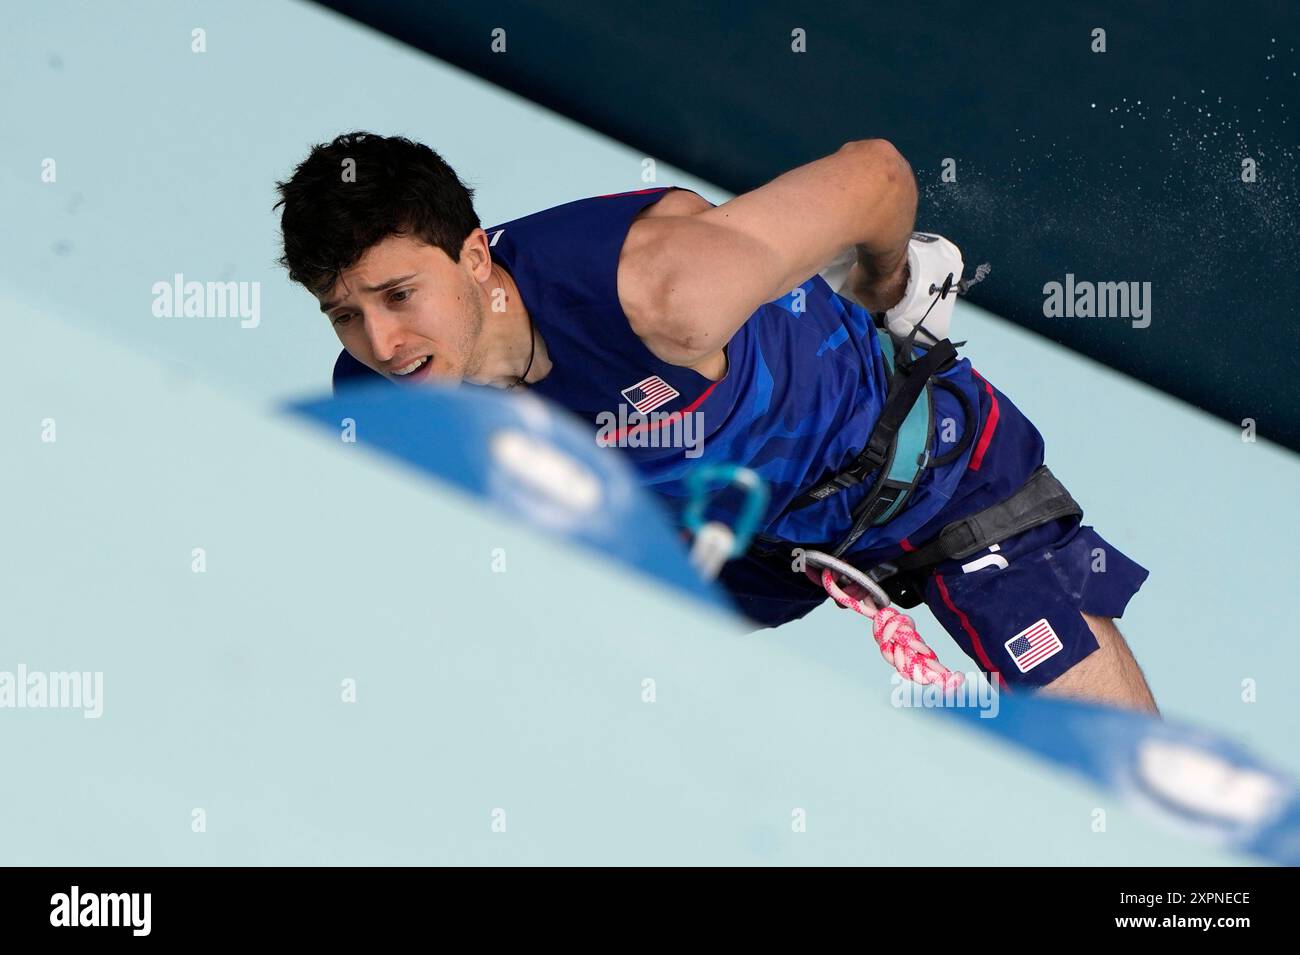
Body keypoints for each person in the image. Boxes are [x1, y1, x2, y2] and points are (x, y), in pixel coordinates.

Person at [275, 132, 1158, 713]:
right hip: (741, 553)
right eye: (344, 315)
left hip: (912, 466)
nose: (383, 343)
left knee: (1103, 760)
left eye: (398, 296)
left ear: (474, 256)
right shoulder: (379, 398)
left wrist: (892, 290)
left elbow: (878, 173)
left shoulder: (668, 293)